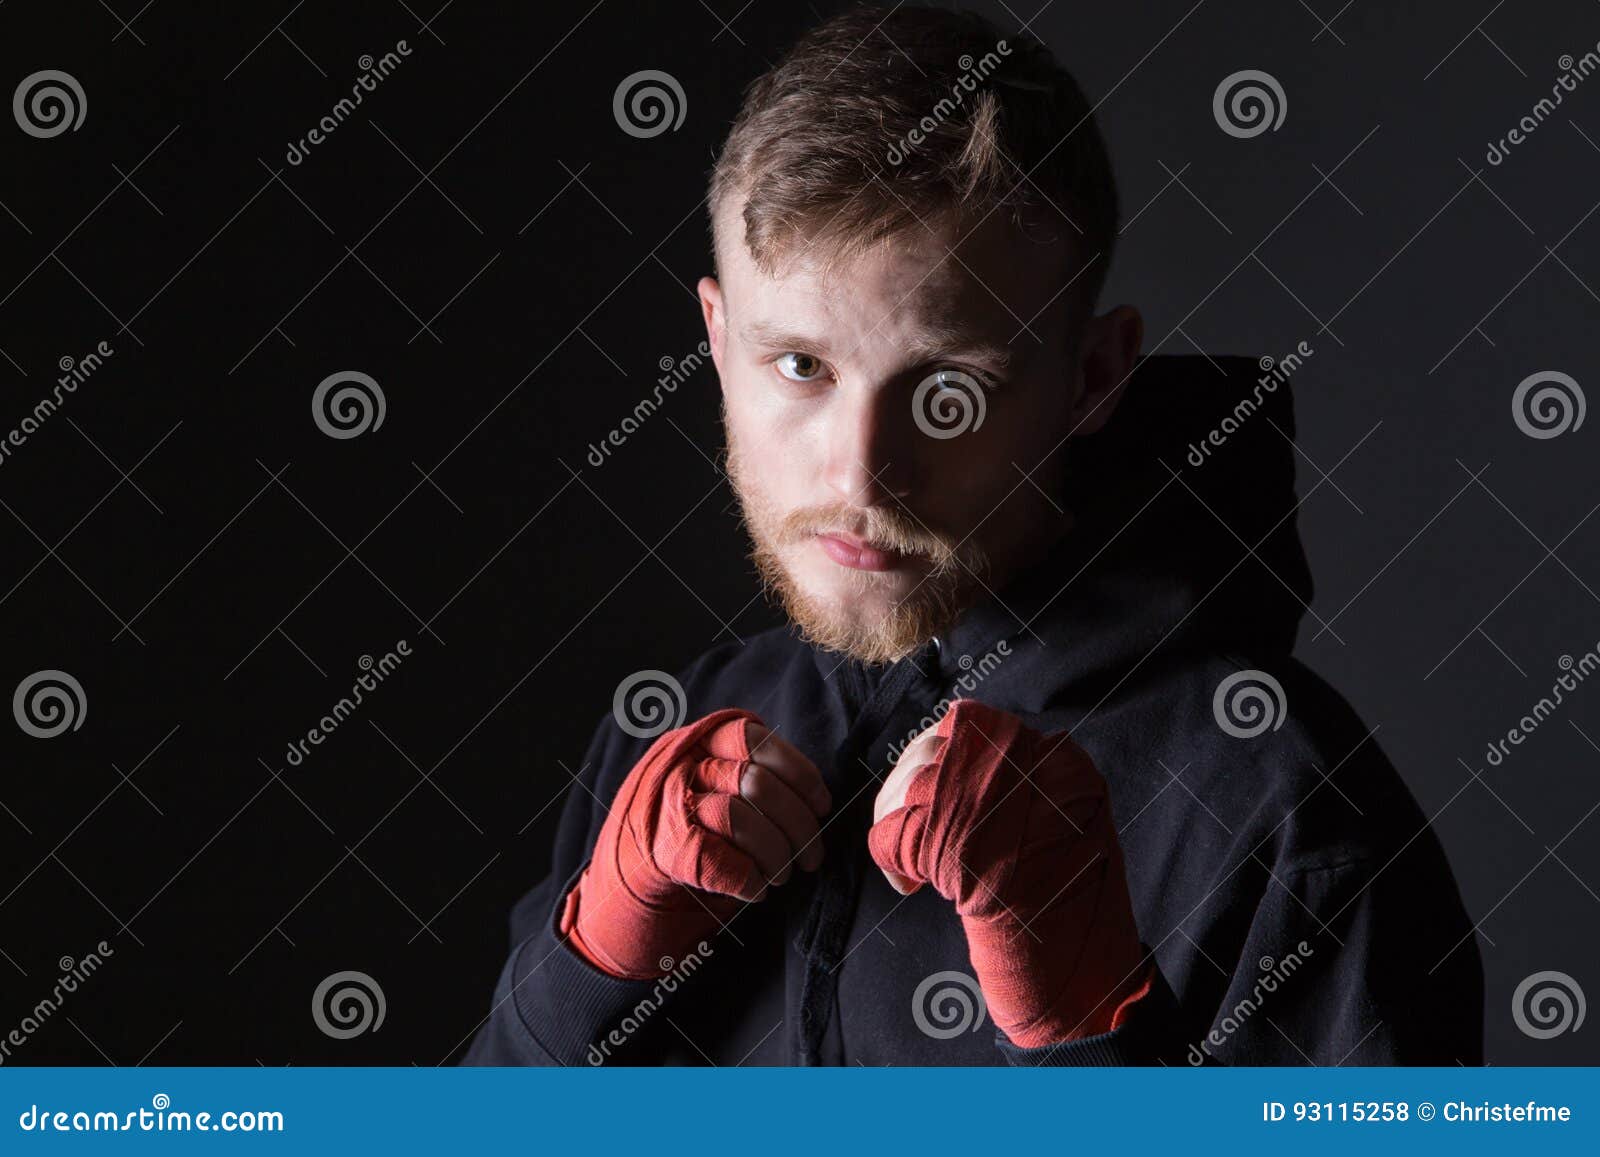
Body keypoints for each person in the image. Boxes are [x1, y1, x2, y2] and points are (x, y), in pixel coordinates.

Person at [463, 4, 1482, 1066]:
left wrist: (1089, 1040)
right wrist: (581, 979)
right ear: (718, 342)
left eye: (948, 389)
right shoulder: (672, 738)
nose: (861, 472)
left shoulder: (1282, 806)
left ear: (1090, 377)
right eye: (801, 366)